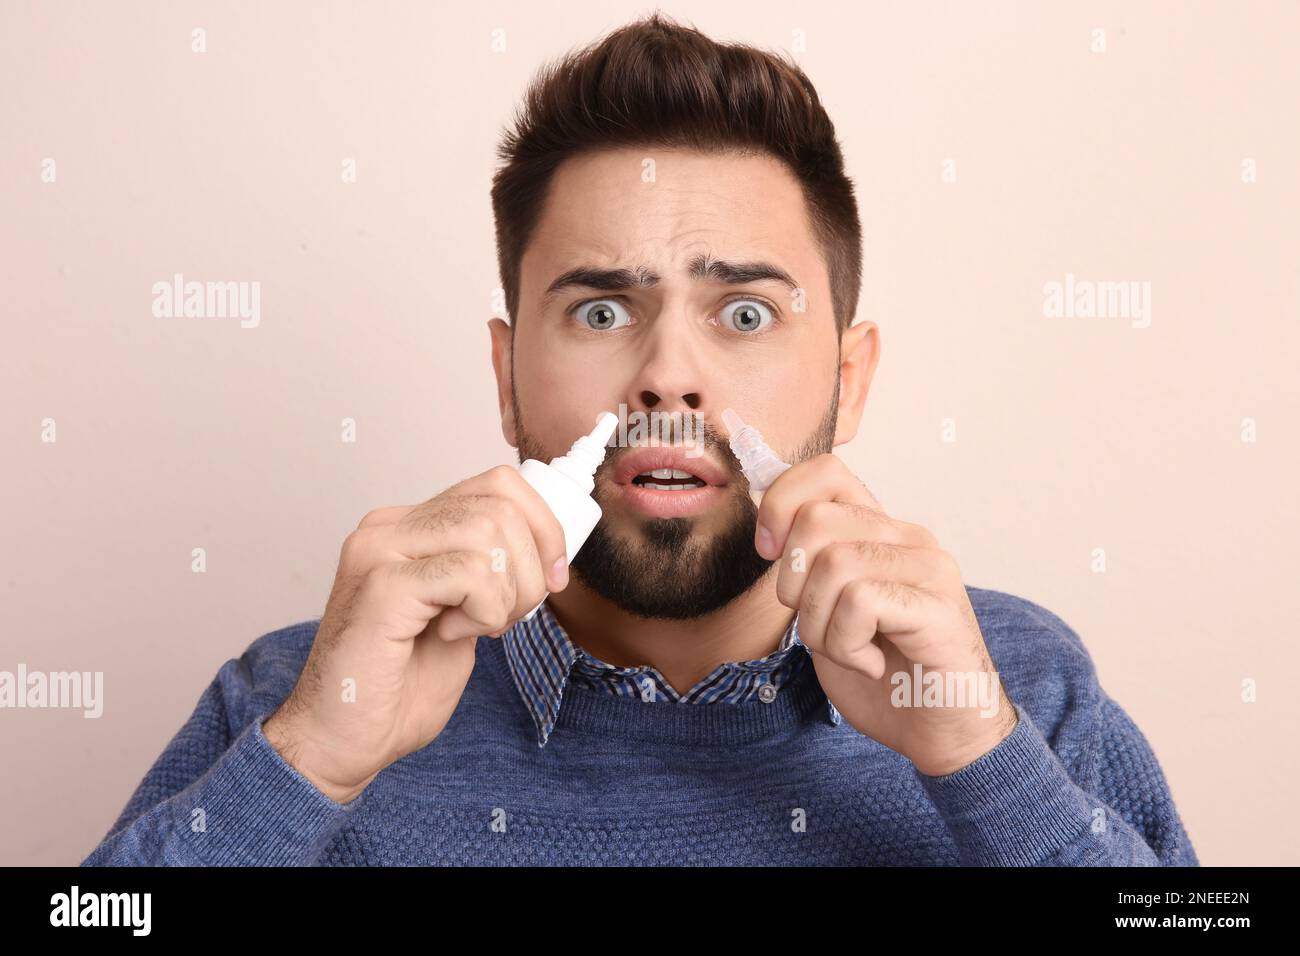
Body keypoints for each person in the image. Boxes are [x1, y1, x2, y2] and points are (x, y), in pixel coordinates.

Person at [83, 12, 1197, 866]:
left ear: (848, 379)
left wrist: (982, 758)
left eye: (746, 312)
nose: (669, 370)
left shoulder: (1020, 685)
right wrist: (310, 762)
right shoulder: (303, 688)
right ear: (507, 379)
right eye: (602, 310)